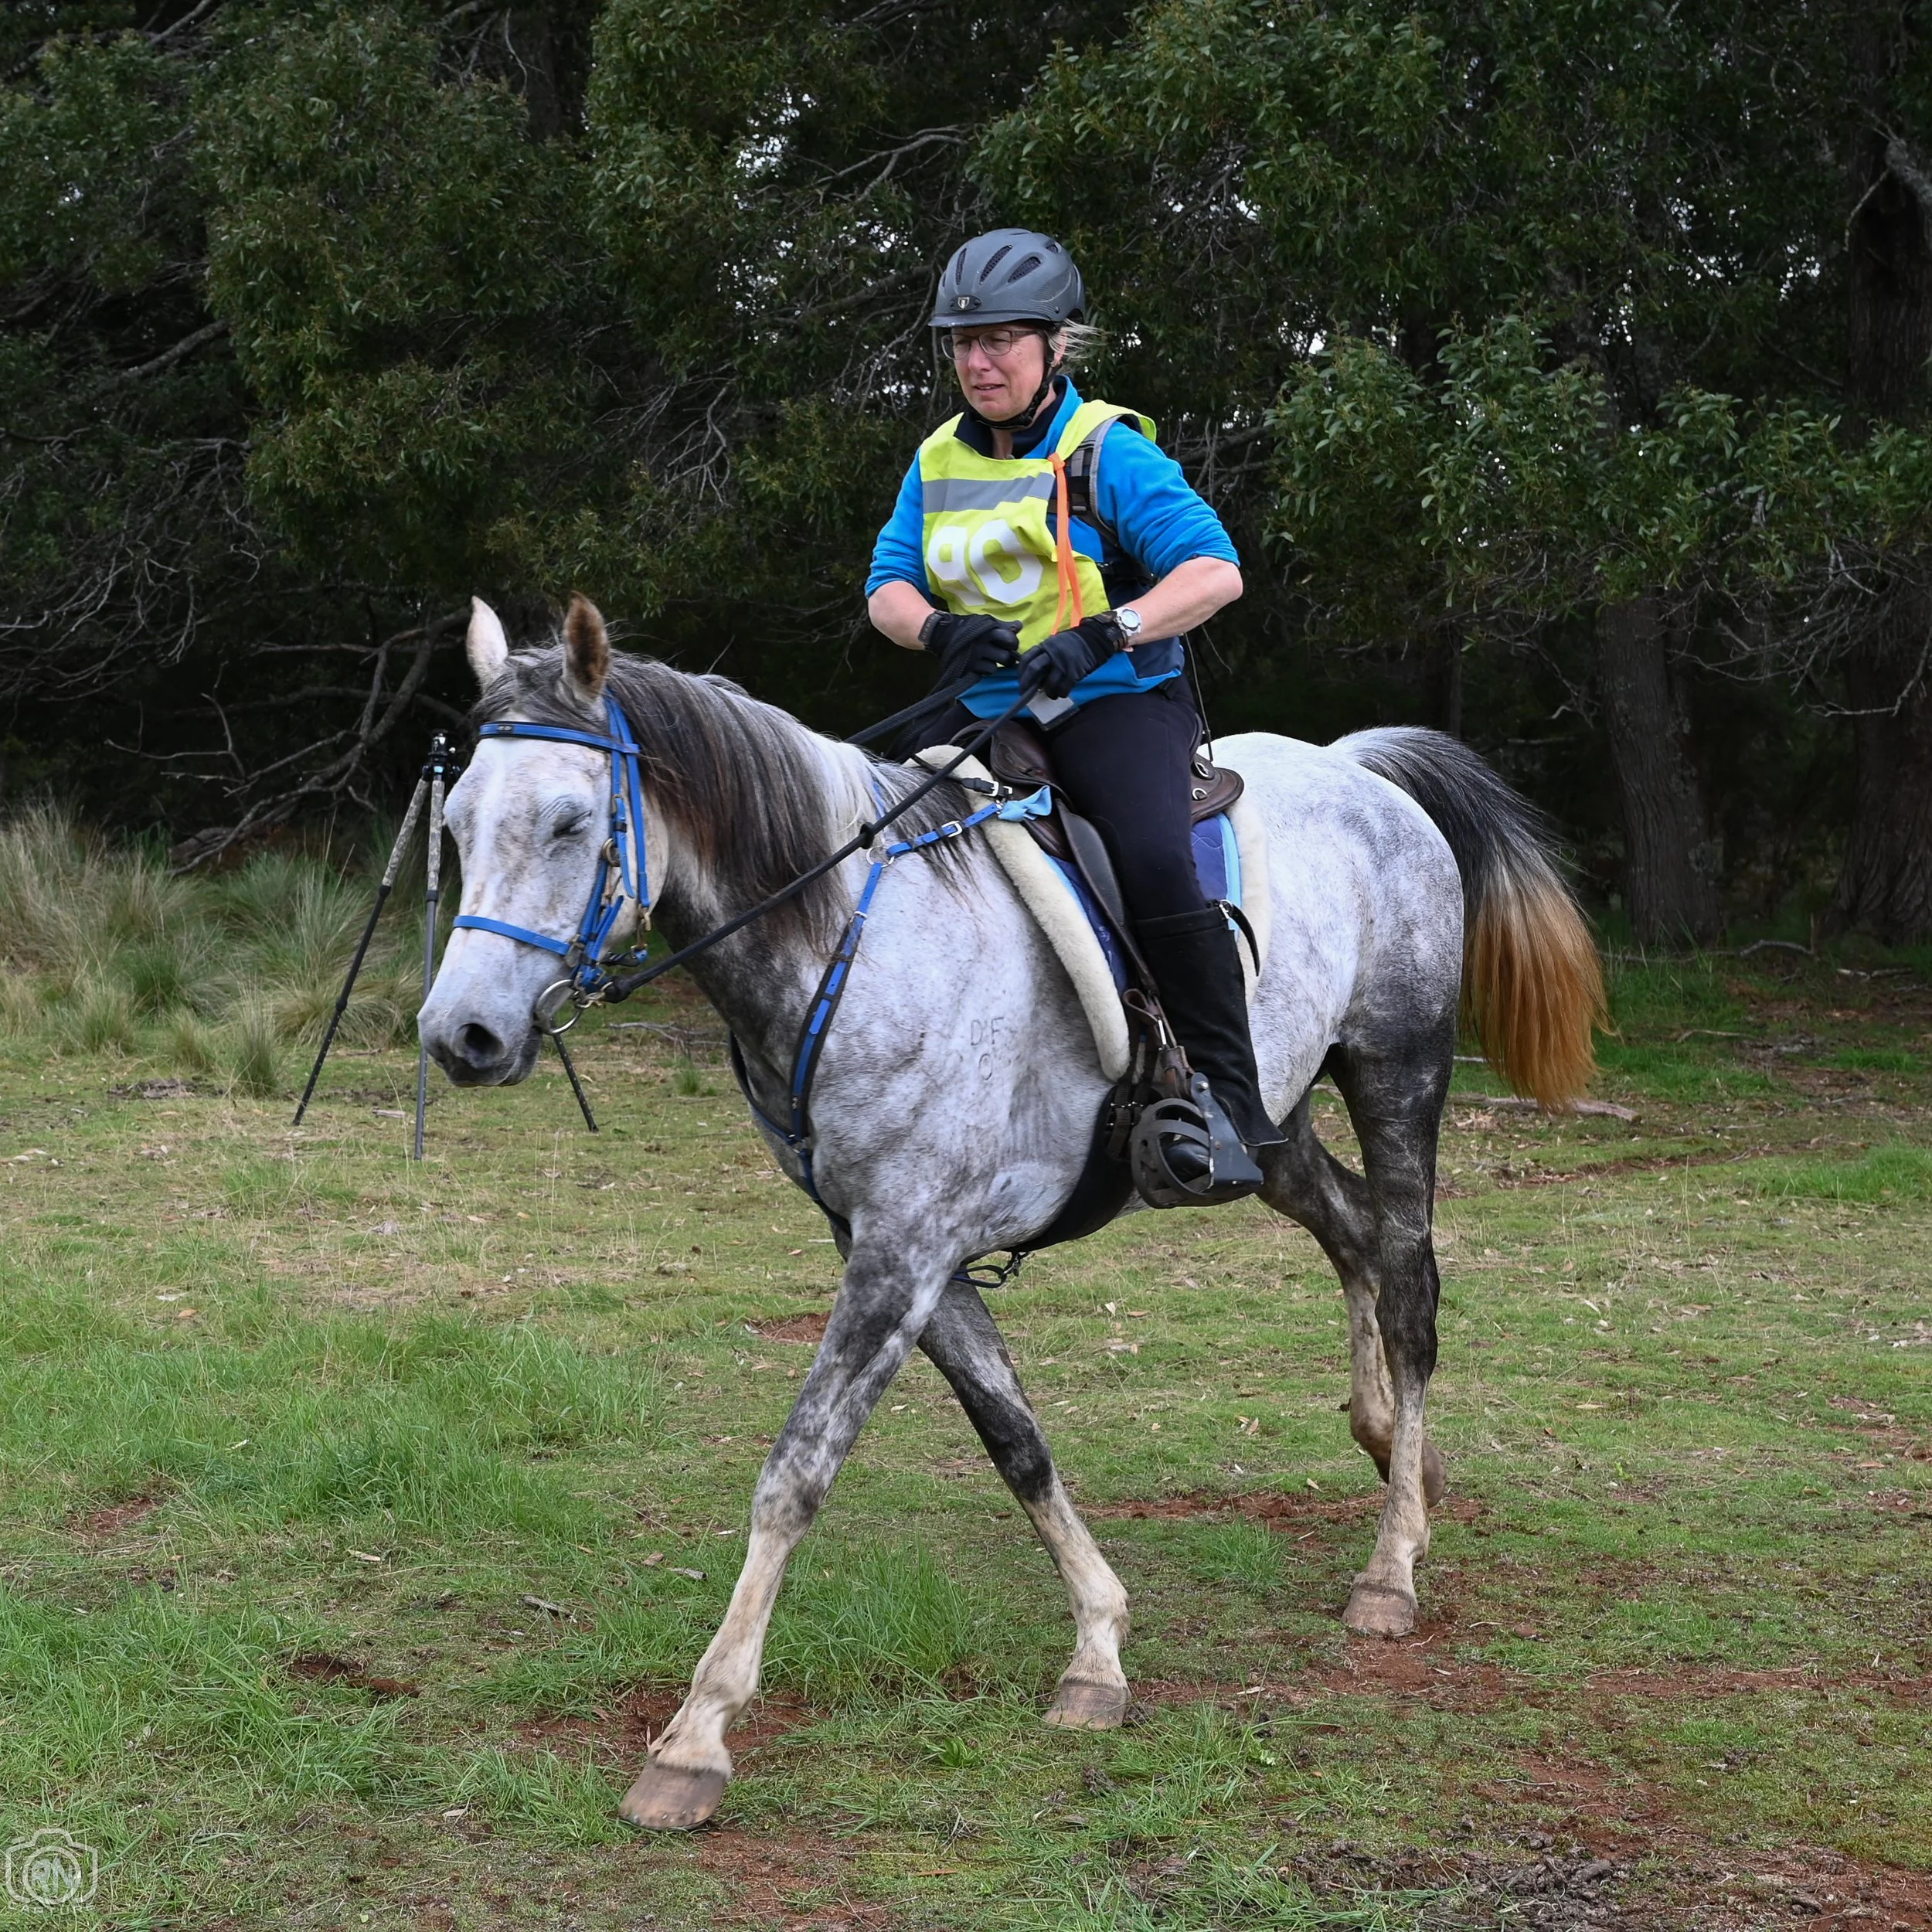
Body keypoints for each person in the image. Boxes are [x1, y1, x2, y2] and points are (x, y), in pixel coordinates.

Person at [865, 226, 1285, 1192]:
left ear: (1054, 345)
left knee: (1151, 856)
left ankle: (1229, 1104)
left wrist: (1110, 630)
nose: (977, 362)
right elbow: (886, 588)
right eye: (961, 344)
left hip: (1113, 703)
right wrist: (935, 629)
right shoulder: (934, 460)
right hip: (985, 711)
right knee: (880, 840)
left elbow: (1214, 571)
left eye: (999, 341)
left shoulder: (1106, 452)